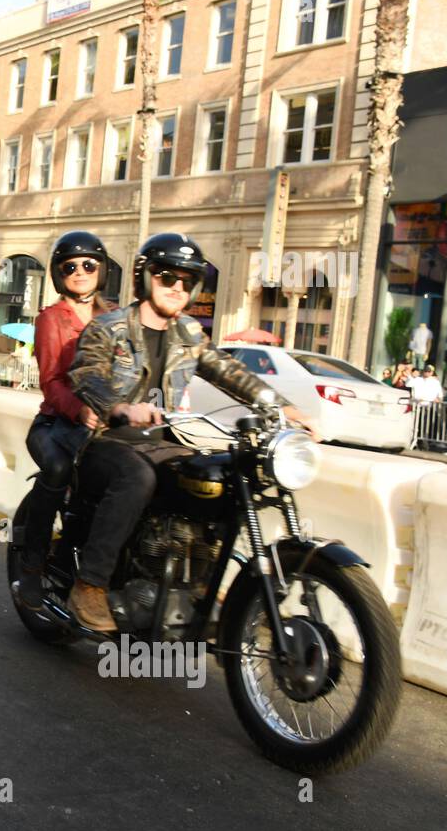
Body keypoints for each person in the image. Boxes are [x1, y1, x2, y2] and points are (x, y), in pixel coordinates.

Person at [67, 233, 320, 632]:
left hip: (164, 441)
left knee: (218, 478)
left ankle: (198, 586)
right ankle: (90, 584)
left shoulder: (189, 333)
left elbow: (228, 370)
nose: (177, 287)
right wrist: (120, 407)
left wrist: (279, 406)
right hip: (108, 442)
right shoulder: (108, 327)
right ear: (145, 277)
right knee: (138, 477)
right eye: (167, 276)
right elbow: (86, 376)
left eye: (187, 281)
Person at [14, 231, 117, 614]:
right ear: (59, 275)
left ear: (101, 270)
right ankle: (32, 565)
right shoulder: (51, 319)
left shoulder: (115, 319)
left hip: (107, 424)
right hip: (57, 425)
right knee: (57, 469)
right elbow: (52, 383)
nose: (79, 272)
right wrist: (82, 411)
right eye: (70, 267)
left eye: (88, 265)